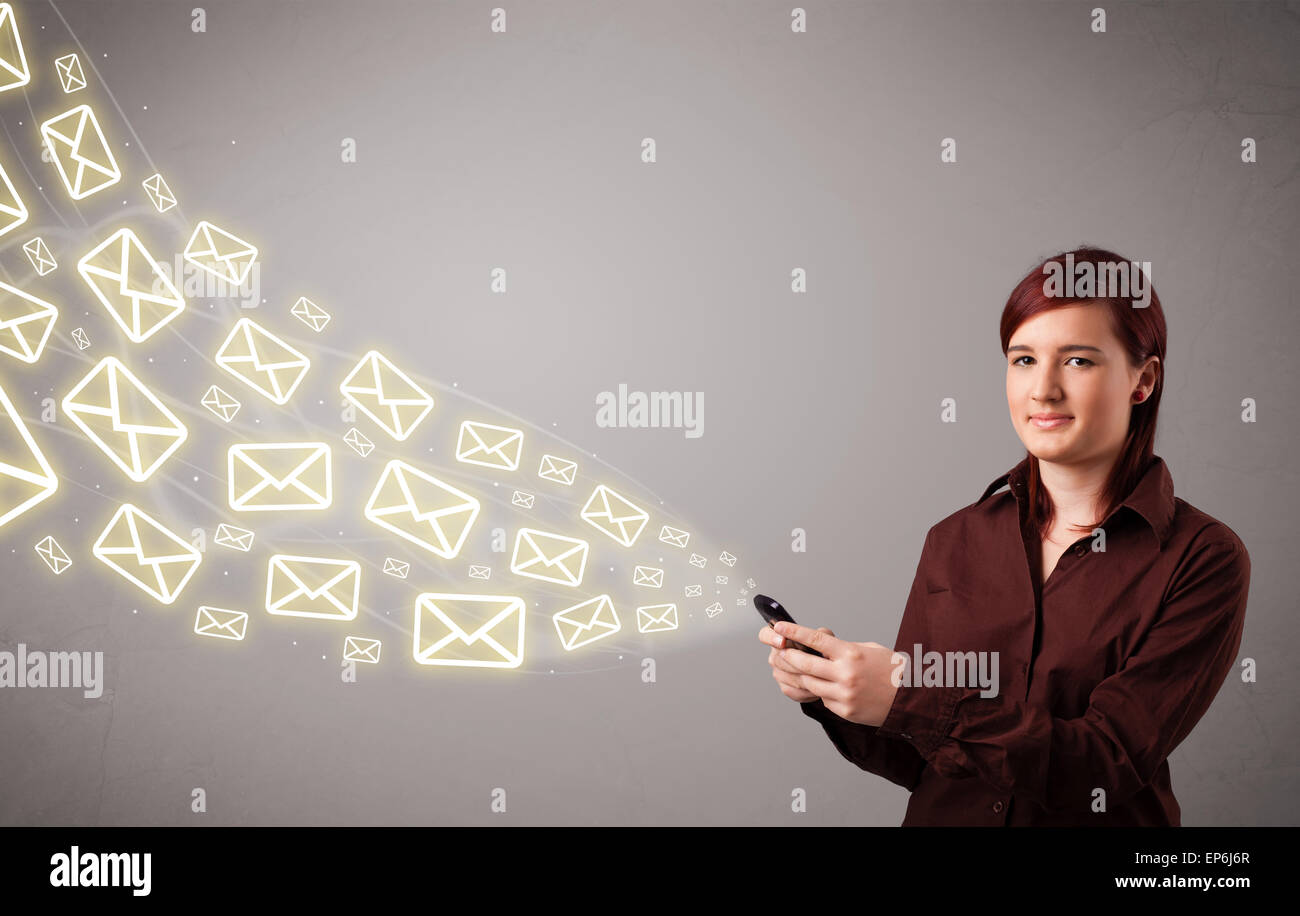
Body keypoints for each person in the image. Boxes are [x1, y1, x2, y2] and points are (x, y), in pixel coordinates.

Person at [759, 247, 1251, 826]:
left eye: (1078, 361)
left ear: (1143, 380)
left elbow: (1102, 763)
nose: (1042, 390)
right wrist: (832, 691)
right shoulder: (955, 539)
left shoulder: (1203, 559)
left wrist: (908, 698)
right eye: (1022, 359)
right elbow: (926, 760)